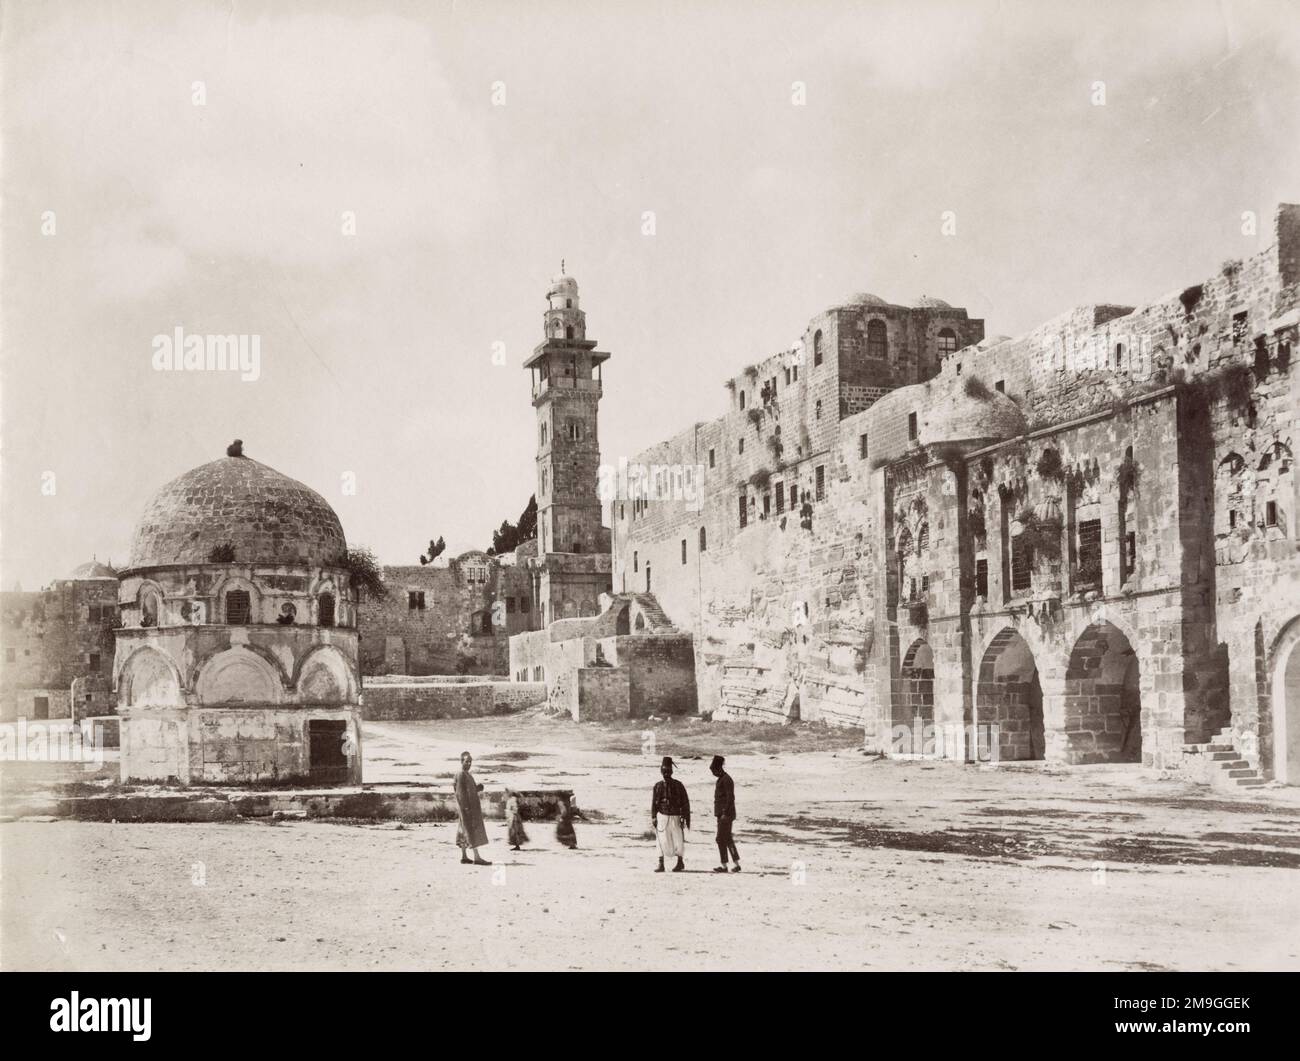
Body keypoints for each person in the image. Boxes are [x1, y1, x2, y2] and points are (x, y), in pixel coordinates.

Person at [650, 756, 690, 872]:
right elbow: (654, 803)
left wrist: (684, 817)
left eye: (668, 771)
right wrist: (653, 816)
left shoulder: (679, 785)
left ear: (672, 771)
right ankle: (661, 863)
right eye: (664, 771)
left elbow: (685, 802)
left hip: (676, 817)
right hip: (662, 817)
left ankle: (680, 862)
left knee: (678, 840)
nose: (666, 773)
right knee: (660, 840)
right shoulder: (657, 786)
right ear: (661, 771)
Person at [453, 751, 491, 866]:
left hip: (469, 808)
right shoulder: (460, 775)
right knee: (471, 831)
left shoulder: (467, 775)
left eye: (470, 762)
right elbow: (460, 793)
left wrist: (477, 788)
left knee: (463, 831)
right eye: (466, 761)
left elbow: (469, 790)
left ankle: (464, 857)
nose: (469, 764)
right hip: (467, 809)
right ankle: (477, 857)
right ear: (461, 761)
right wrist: (465, 808)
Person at [710, 755, 740, 873]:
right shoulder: (722, 779)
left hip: (725, 815)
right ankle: (736, 864)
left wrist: (724, 813)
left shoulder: (726, 779)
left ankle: (724, 866)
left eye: (713, 770)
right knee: (727, 839)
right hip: (723, 815)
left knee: (720, 839)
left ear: (718, 768)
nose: (713, 773)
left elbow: (730, 798)